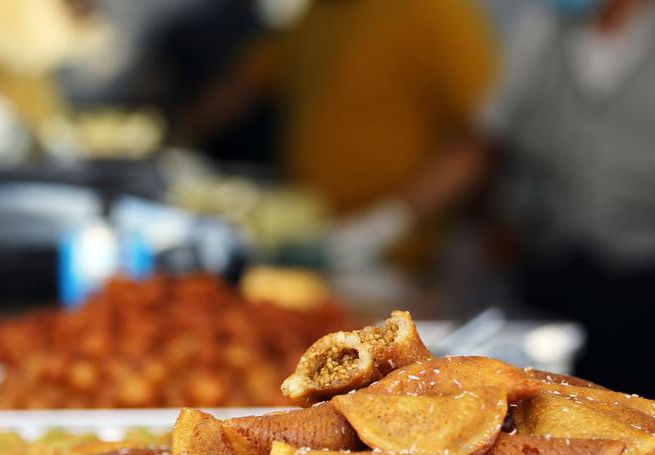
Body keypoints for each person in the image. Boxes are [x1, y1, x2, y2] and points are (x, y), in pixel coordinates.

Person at [347, 0, 655, 424]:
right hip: (553, 285)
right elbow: (480, 146)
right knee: (540, 430)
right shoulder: (540, 35)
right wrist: (385, 223)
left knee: (650, 437)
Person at [177, 0, 497, 273]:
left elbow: (480, 139)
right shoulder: (323, 11)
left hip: (393, 263)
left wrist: (383, 226)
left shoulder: (435, 12)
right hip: (310, 245)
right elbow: (247, 79)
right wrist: (176, 137)